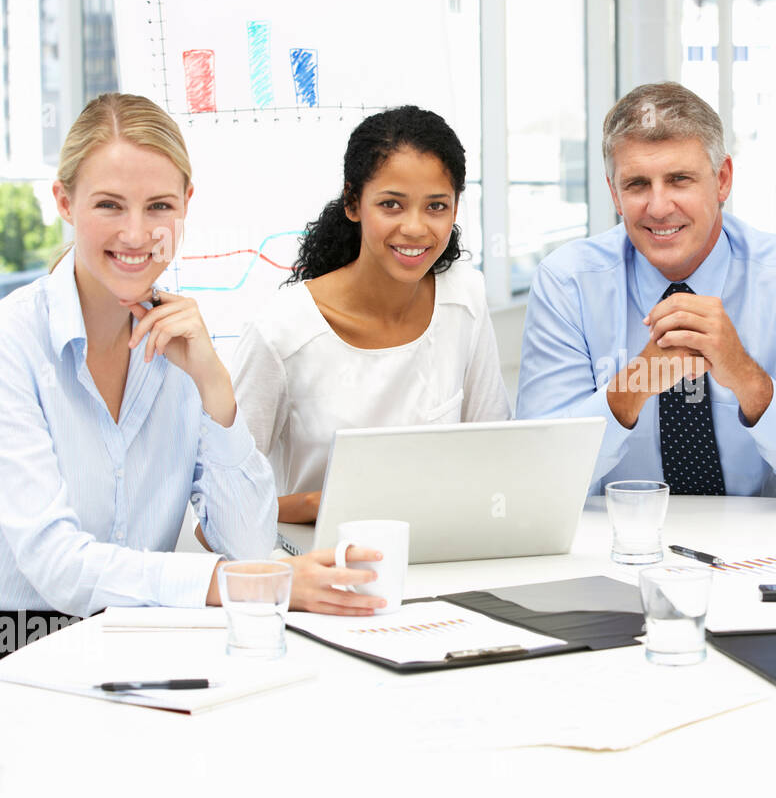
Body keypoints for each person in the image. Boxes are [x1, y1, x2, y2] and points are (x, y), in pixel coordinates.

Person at [0, 93, 386, 632]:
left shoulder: (183, 347)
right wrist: (246, 584)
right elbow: (58, 565)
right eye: (109, 205)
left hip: (145, 649)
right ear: (64, 202)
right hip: (22, 655)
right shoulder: (13, 343)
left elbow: (248, 543)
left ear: (186, 202)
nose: (137, 234)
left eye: (159, 206)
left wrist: (212, 384)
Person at [516, 82, 776, 507]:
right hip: (617, 547)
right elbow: (535, 481)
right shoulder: (567, 283)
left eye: (679, 180)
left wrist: (745, 376)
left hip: (763, 552)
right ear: (614, 195)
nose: (659, 207)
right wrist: (631, 388)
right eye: (638, 184)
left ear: (722, 179)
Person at [232, 107, 511, 524]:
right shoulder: (281, 333)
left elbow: (497, 458)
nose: (416, 228)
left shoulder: (464, 297)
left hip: (444, 555)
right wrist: (317, 505)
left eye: (436, 206)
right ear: (352, 202)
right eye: (391, 205)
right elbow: (222, 511)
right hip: (322, 567)